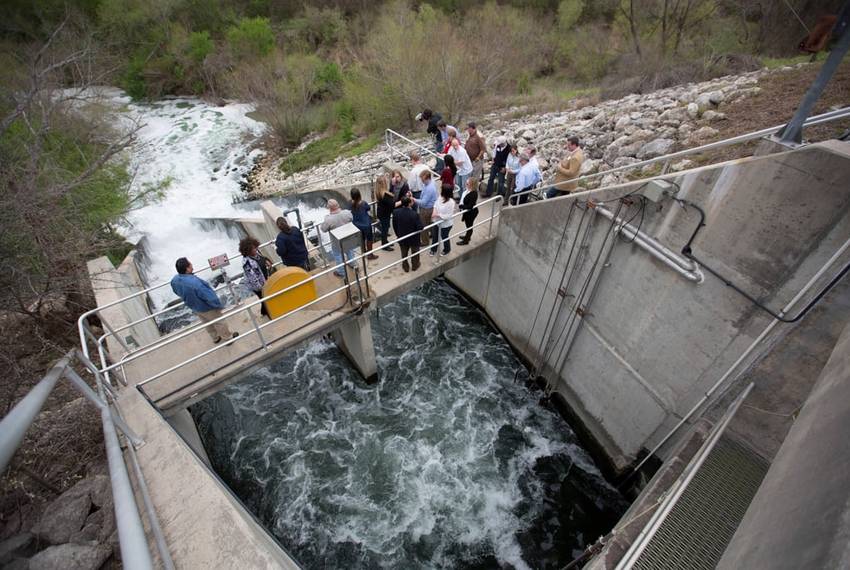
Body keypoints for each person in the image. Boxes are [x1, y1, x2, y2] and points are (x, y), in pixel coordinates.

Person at [170, 257, 237, 344]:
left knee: (207, 323)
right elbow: (209, 297)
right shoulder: (195, 283)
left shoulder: (175, 280)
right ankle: (228, 338)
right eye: (190, 264)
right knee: (219, 322)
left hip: (194, 306)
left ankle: (215, 338)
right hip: (207, 307)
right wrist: (218, 305)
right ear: (187, 269)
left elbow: (176, 291)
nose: (192, 264)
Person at [320, 199, 355, 277]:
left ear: (329, 208)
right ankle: (353, 264)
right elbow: (352, 219)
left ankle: (341, 272)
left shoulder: (328, 219)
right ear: (338, 205)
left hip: (337, 242)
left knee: (338, 256)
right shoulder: (347, 213)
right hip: (348, 238)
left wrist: (326, 219)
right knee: (350, 251)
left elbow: (323, 229)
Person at [239, 237, 272, 318]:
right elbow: (253, 279)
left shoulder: (256, 254)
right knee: (264, 299)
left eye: (255, 247)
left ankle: (264, 312)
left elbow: (261, 258)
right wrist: (263, 287)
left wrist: (266, 260)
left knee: (264, 299)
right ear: (248, 251)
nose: (256, 249)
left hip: (264, 279)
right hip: (258, 285)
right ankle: (269, 314)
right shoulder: (247, 263)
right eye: (253, 248)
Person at [392, 196, 423, 272]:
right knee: (415, 252)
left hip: (402, 237)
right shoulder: (414, 214)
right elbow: (420, 227)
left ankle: (405, 267)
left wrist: (398, 235)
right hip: (413, 238)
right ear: (409, 203)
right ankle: (415, 265)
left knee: (404, 253)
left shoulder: (396, 212)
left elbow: (394, 225)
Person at [350, 187, 378, 260]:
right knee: (369, 239)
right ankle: (370, 255)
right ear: (359, 195)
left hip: (357, 224)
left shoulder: (350, 203)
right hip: (366, 224)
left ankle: (363, 252)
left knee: (362, 239)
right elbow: (368, 208)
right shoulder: (363, 203)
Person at [430, 185, 457, 258]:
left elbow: (448, 216)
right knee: (435, 236)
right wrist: (434, 211)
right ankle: (433, 249)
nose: (440, 191)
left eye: (441, 190)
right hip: (437, 222)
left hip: (446, 224)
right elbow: (435, 204)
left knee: (444, 236)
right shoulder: (440, 197)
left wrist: (437, 214)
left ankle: (447, 249)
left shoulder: (451, 202)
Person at [375, 175, 396, 251]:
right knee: (385, 229)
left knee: (385, 228)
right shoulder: (384, 194)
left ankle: (385, 241)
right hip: (384, 214)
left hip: (381, 213)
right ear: (383, 183)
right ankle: (384, 245)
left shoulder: (379, 192)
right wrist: (403, 201)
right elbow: (392, 203)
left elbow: (389, 195)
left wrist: (392, 185)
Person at [418, 170, 438, 247]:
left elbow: (423, 202)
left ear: (427, 179)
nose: (421, 181)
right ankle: (433, 236)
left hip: (426, 210)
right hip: (430, 208)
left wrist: (413, 199)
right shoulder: (431, 183)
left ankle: (425, 242)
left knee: (423, 226)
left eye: (422, 180)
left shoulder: (429, 188)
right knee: (430, 224)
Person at [457, 178, 479, 245]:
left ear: (472, 185)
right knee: (468, 226)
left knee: (469, 227)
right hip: (467, 212)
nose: (465, 184)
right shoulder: (468, 190)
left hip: (471, 213)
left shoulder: (474, 194)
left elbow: (470, 206)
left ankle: (466, 240)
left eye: (467, 184)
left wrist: (461, 206)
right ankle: (467, 236)